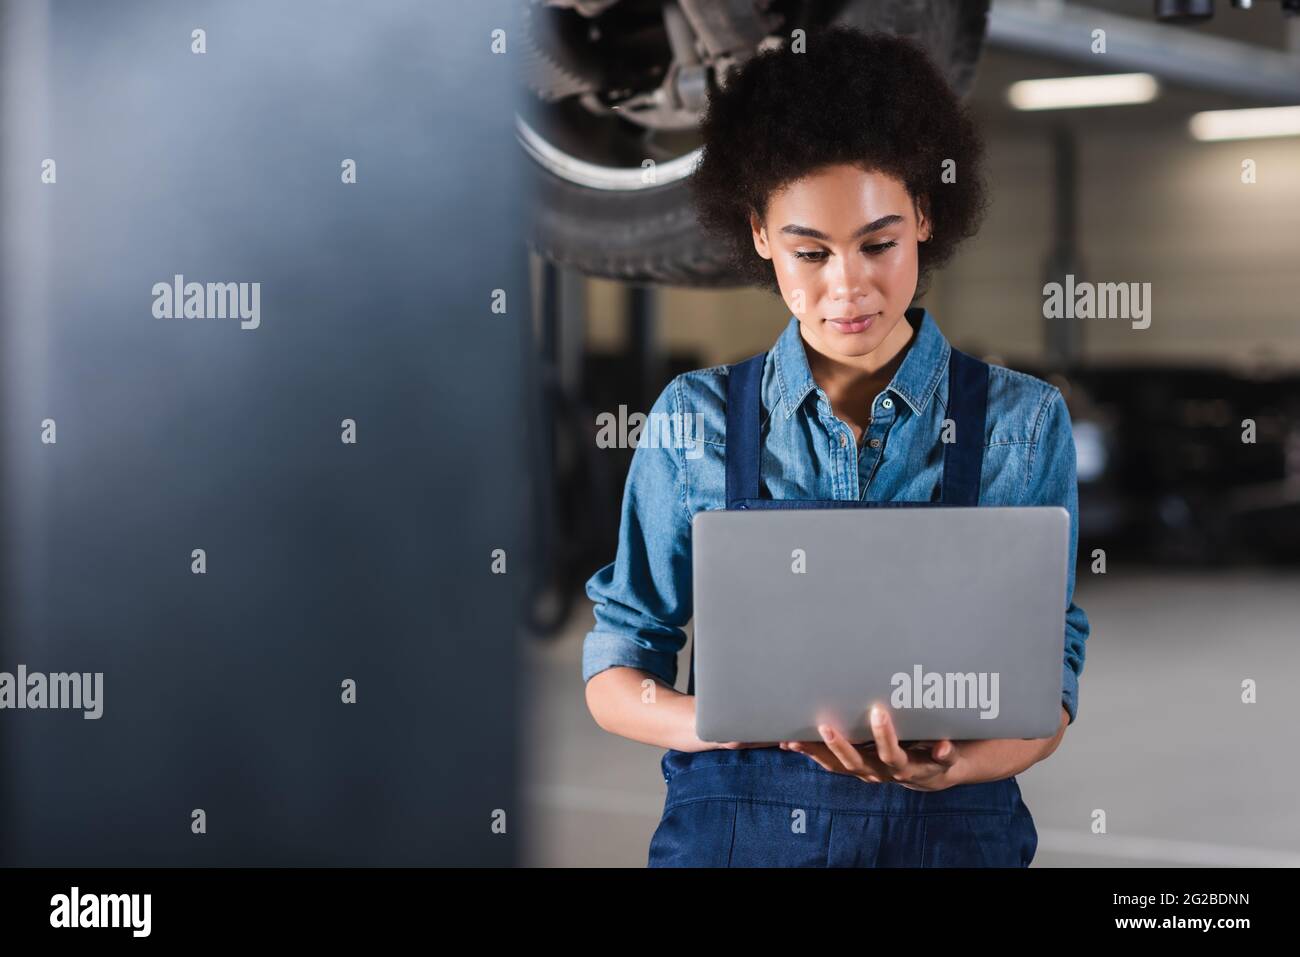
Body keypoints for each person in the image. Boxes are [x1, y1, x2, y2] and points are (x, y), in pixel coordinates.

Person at [580, 25, 1090, 867]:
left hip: (951, 832)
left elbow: (1049, 674)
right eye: (808, 252)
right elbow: (622, 659)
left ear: (926, 216)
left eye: (879, 244)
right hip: (736, 834)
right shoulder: (694, 419)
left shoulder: (1022, 421)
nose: (847, 287)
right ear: (757, 234)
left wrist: (964, 763)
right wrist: (730, 720)